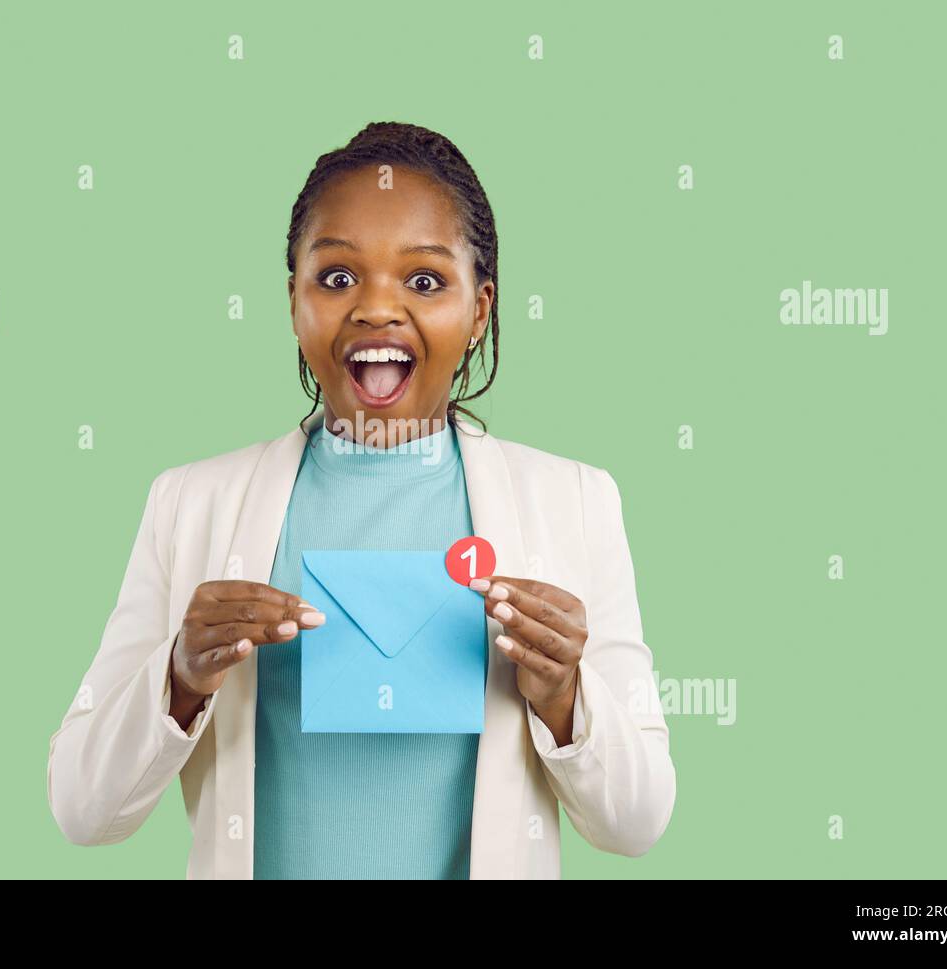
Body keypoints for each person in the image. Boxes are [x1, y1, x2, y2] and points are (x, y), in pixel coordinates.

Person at [47, 121, 676, 879]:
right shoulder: (189, 504)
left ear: (479, 311)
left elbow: (636, 823)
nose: (378, 309)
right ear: (293, 302)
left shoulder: (575, 502)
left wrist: (566, 696)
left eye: (423, 280)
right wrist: (179, 676)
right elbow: (81, 808)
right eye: (338, 278)